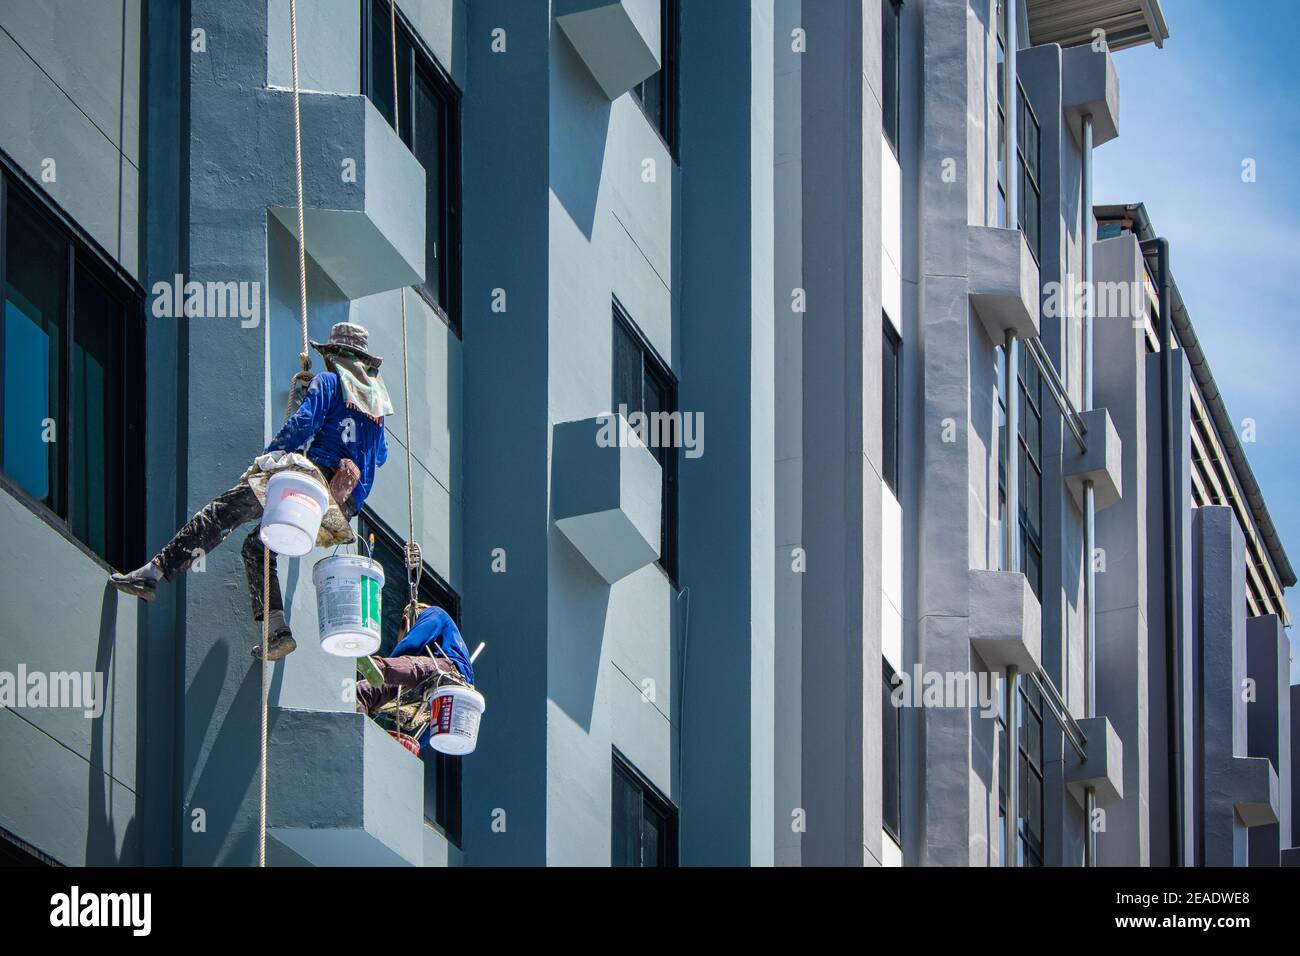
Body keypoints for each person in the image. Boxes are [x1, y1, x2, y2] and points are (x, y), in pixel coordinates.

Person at [109, 322, 392, 661]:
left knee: (224, 511)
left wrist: (270, 459)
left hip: (312, 485)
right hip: (342, 507)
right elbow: (381, 456)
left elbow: (303, 423)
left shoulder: (330, 382)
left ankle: (153, 573)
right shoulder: (377, 413)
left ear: (333, 358)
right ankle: (277, 629)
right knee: (258, 546)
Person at [356, 604, 475, 736]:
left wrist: (390, 664)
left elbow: (412, 644)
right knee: (362, 691)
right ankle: (357, 732)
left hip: (449, 671)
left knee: (415, 667)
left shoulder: (435, 613)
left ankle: (380, 666)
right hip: (434, 689)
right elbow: (430, 730)